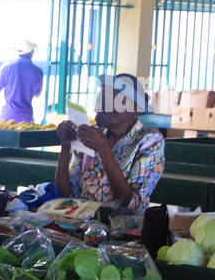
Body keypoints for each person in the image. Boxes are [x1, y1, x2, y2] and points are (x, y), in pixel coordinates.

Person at [54, 73, 165, 213]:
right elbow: (64, 194)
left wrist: (104, 150)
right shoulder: (92, 135)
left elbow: (130, 203)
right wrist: (65, 146)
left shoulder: (150, 141)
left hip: (120, 228)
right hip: (80, 222)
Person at [0, 40, 44, 123]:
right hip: (27, 119)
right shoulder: (38, 72)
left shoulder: (7, 69)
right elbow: (37, 94)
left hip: (7, 118)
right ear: (31, 53)